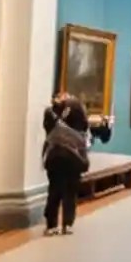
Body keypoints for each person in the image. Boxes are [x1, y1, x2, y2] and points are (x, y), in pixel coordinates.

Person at [42, 93, 89, 236]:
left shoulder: (51, 112)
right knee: (71, 191)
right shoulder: (78, 108)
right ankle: (67, 224)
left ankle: (52, 225)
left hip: (55, 153)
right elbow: (85, 127)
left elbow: (47, 127)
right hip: (74, 155)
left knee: (54, 190)